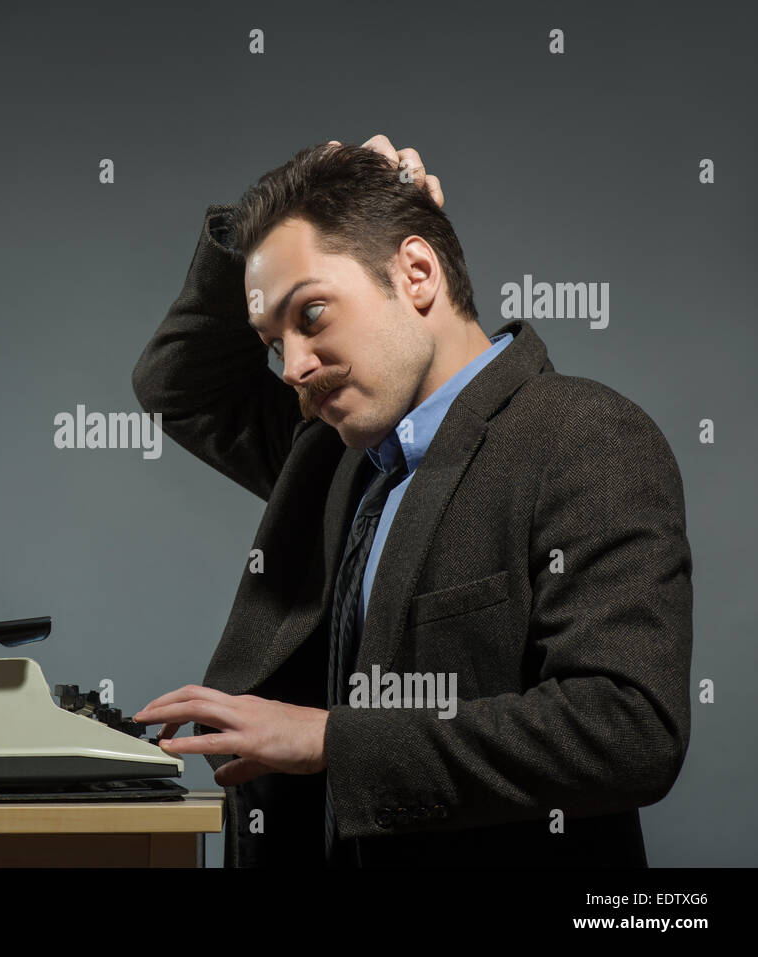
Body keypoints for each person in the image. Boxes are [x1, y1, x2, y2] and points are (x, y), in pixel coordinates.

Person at [128, 135, 692, 867]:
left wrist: (329, 738)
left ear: (417, 272)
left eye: (313, 314)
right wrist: (268, 233)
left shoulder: (585, 435)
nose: (294, 367)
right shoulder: (331, 455)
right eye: (273, 342)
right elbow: (176, 384)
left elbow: (630, 729)